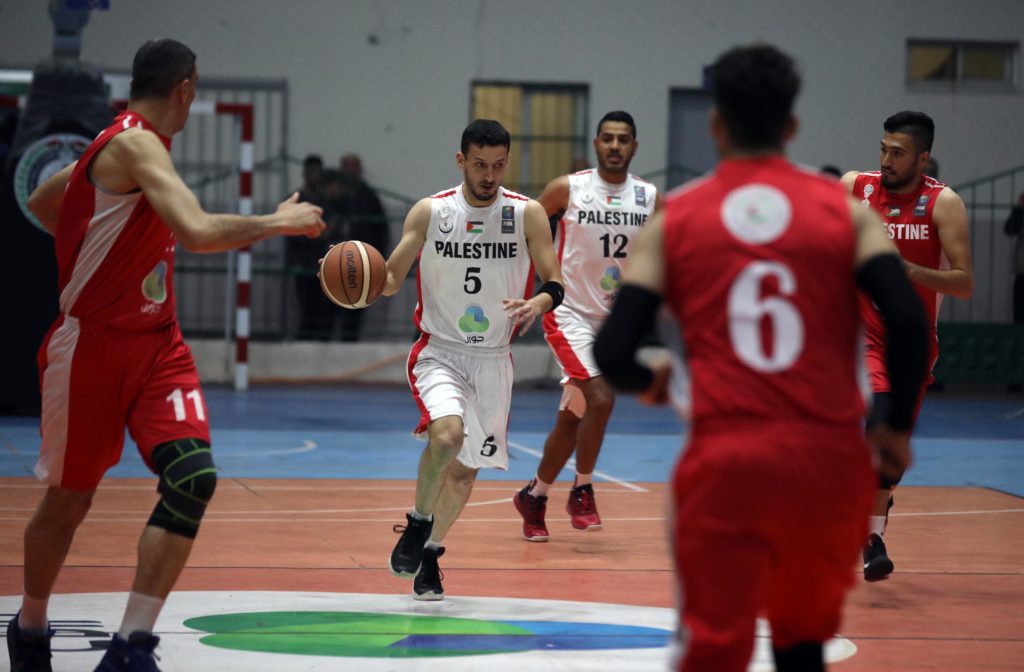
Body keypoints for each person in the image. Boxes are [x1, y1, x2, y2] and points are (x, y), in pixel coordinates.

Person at [593, 44, 928, 672]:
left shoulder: (676, 219)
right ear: (792, 127)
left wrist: (654, 378)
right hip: (825, 461)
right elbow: (907, 321)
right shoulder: (846, 213)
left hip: (725, 459)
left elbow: (611, 350)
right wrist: (894, 428)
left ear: (717, 125)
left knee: (716, 647)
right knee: (802, 647)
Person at [7, 39, 324, 672]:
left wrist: (92, 238)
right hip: (91, 347)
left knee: (192, 477)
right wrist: (277, 221)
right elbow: (200, 231)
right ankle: (31, 625)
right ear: (186, 87)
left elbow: (45, 202)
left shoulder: (122, 146)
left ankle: (131, 644)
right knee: (68, 503)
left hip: (158, 346)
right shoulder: (131, 143)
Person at [383, 119, 562, 600]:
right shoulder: (432, 212)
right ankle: (418, 523)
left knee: (464, 472)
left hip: (494, 360)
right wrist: (353, 284)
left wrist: (537, 304)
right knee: (447, 434)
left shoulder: (527, 215)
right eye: (480, 164)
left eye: (498, 165)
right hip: (439, 351)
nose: (489, 174)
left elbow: (554, 282)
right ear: (460, 160)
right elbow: (390, 278)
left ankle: (430, 555)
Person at [513, 111, 660, 541]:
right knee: (602, 397)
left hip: (616, 322)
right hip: (569, 312)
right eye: (608, 138)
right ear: (596, 143)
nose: (615, 146)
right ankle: (583, 488)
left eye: (624, 140)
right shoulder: (568, 188)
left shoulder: (650, 198)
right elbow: (526, 229)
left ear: (635, 147)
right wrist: (527, 284)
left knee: (571, 420)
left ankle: (534, 495)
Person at [841, 111, 974, 581]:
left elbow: (963, 283)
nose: (886, 159)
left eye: (898, 153)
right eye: (883, 149)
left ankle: (875, 517)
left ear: (924, 157)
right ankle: (872, 541)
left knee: (889, 448)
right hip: (862, 334)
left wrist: (907, 270)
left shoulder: (944, 204)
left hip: (914, 341)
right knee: (875, 423)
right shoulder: (856, 188)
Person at [334, 153, 389, 341]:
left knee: (354, 305)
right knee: (325, 307)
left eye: (354, 166)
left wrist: (376, 259)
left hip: (361, 261)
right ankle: (320, 345)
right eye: (347, 166)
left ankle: (349, 344)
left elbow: (381, 229)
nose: (351, 171)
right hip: (333, 260)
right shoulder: (334, 195)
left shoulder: (368, 197)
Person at [286, 154, 335, 339]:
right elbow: (294, 231)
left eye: (318, 172)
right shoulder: (297, 199)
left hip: (326, 263)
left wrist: (325, 233)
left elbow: (333, 227)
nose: (315, 176)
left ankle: (323, 341)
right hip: (304, 263)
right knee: (306, 308)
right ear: (305, 173)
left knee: (326, 308)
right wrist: (318, 233)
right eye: (311, 172)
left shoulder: (327, 201)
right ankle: (304, 340)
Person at [1005, 192, 1024, 324]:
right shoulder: (1021, 215)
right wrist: (1019, 210)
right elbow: (1009, 229)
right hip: (1022, 272)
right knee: (1019, 315)